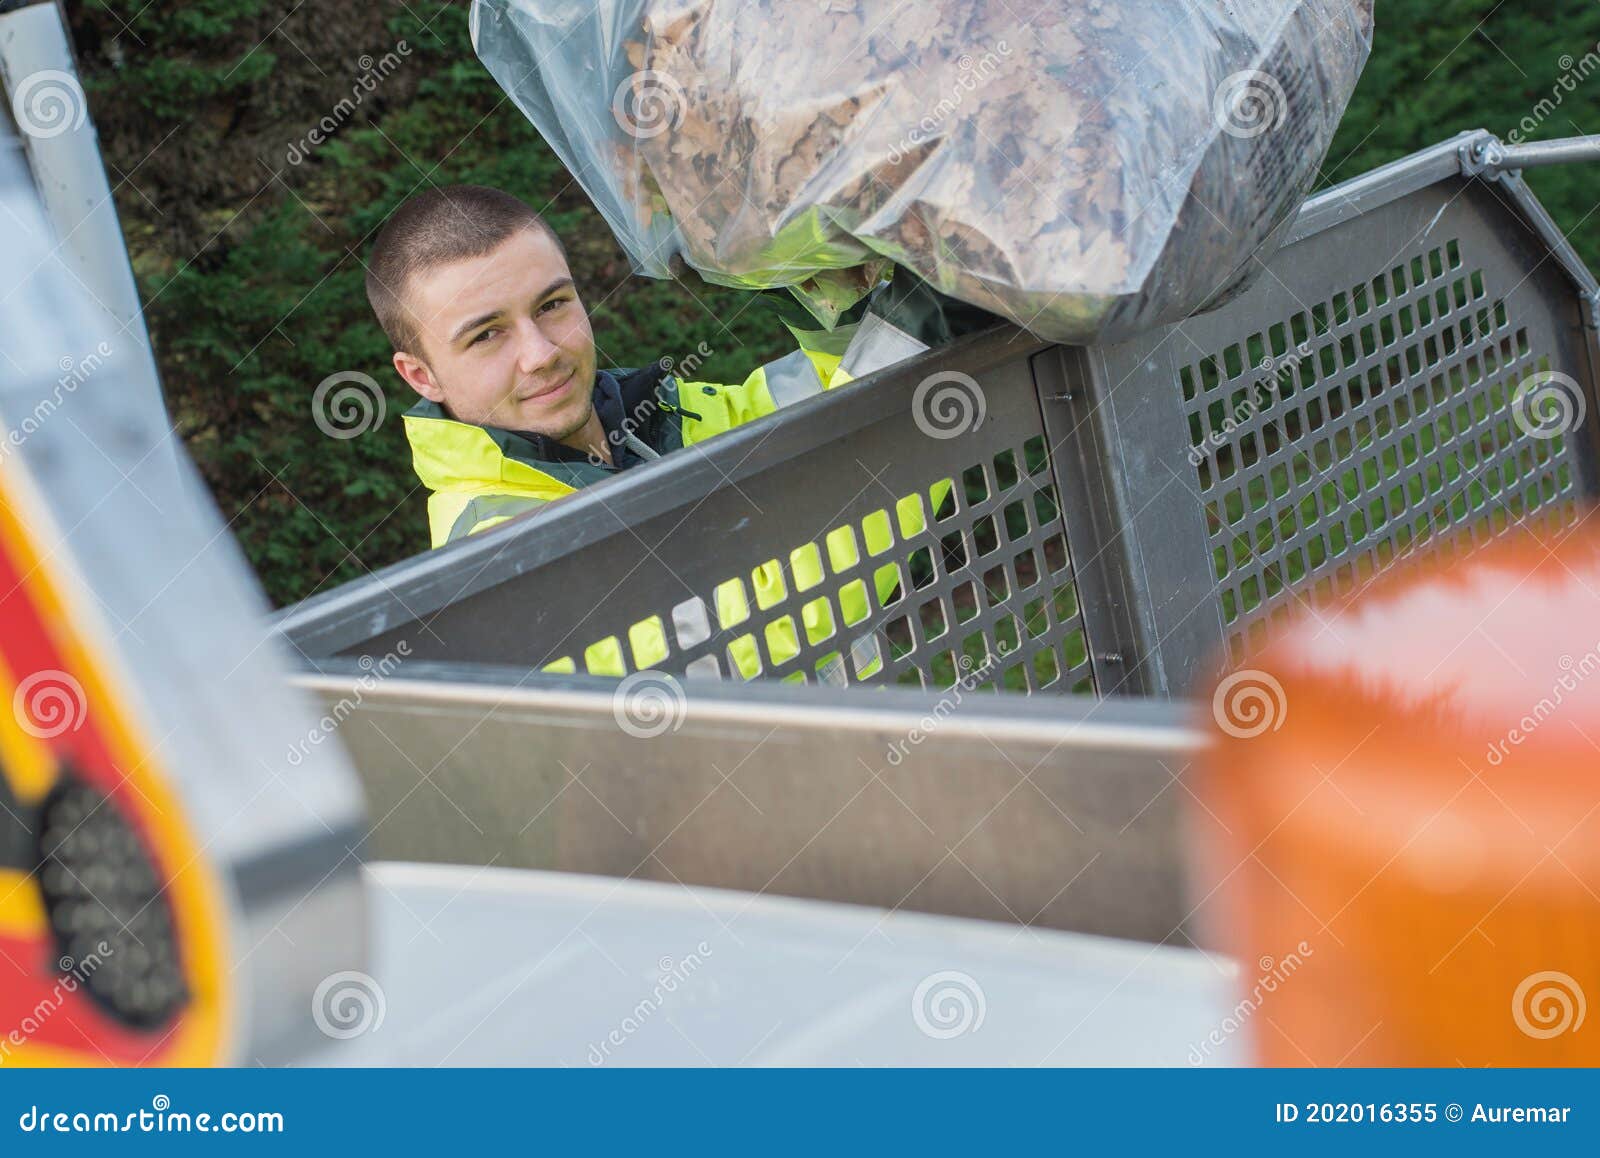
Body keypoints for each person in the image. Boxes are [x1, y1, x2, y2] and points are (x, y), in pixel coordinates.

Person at [363, 184, 926, 678]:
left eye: (553, 304)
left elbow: (827, 403)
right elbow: (739, 655)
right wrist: (918, 343)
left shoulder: (666, 420)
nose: (540, 354)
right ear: (421, 374)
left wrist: (815, 286)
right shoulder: (490, 556)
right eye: (486, 335)